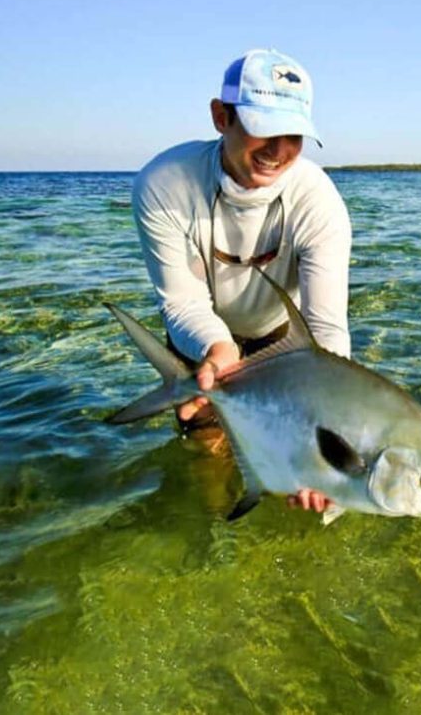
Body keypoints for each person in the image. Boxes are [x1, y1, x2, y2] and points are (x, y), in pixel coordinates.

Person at [132, 48, 352, 514]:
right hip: (201, 342)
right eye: (262, 128)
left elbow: (326, 328)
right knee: (205, 445)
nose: (277, 150)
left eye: (293, 135)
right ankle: (216, 534)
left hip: (283, 342)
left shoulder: (319, 202)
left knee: (293, 453)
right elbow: (182, 302)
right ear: (221, 116)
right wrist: (218, 350)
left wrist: (330, 435)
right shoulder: (163, 183)